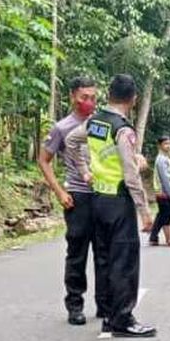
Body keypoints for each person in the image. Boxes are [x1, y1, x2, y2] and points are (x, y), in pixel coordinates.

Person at [86, 74, 156, 338]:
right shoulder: (123, 129)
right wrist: (145, 211)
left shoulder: (95, 122)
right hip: (118, 201)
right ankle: (123, 319)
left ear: (109, 95)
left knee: (104, 259)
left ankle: (107, 314)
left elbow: (72, 141)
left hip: (97, 200)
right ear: (133, 99)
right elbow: (130, 174)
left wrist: (86, 169)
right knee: (124, 261)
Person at [41, 76, 109, 327]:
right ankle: (75, 305)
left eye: (93, 97)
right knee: (77, 253)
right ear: (73, 97)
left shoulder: (102, 124)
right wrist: (59, 192)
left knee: (104, 252)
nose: (89, 102)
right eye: (84, 98)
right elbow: (43, 160)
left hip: (102, 195)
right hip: (77, 198)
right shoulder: (62, 127)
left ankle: (104, 304)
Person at [149, 135, 170, 247]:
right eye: (165, 144)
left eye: (169, 143)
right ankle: (169, 240)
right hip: (164, 193)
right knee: (167, 216)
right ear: (160, 145)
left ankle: (153, 238)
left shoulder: (165, 158)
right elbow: (165, 179)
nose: (168, 146)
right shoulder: (161, 160)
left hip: (165, 193)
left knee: (161, 216)